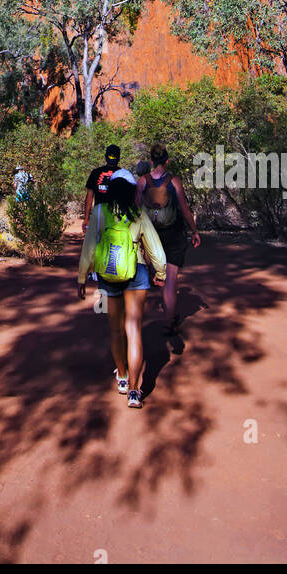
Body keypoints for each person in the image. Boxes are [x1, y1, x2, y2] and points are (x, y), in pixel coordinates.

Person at [77, 170, 166, 408]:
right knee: (134, 330)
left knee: (116, 331)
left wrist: (82, 277)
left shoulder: (99, 213)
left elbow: (89, 246)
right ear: (130, 191)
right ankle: (135, 392)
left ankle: (123, 378)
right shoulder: (139, 215)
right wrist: (162, 273)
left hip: (108, 275)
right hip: (136, 273)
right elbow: (156, 250)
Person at [136, 143, 201, 336]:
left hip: (150, 235)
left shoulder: (142, 182)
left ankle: (137, 321)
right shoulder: (174, 181)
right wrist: (194, 231)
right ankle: (168, 322)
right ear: (167, 160)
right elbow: (185, 209)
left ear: (151, 161)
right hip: (173, 234)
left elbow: (135, 210)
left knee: (147, 278)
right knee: (171, 279)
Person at [81, 143, 122, 232]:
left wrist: (86, 218)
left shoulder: (96, 173)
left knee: (94, 243)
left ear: (105, 157)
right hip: (116, 217)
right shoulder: (124, 174)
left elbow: (89, 197)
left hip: (99, 215)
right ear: (119, 158)